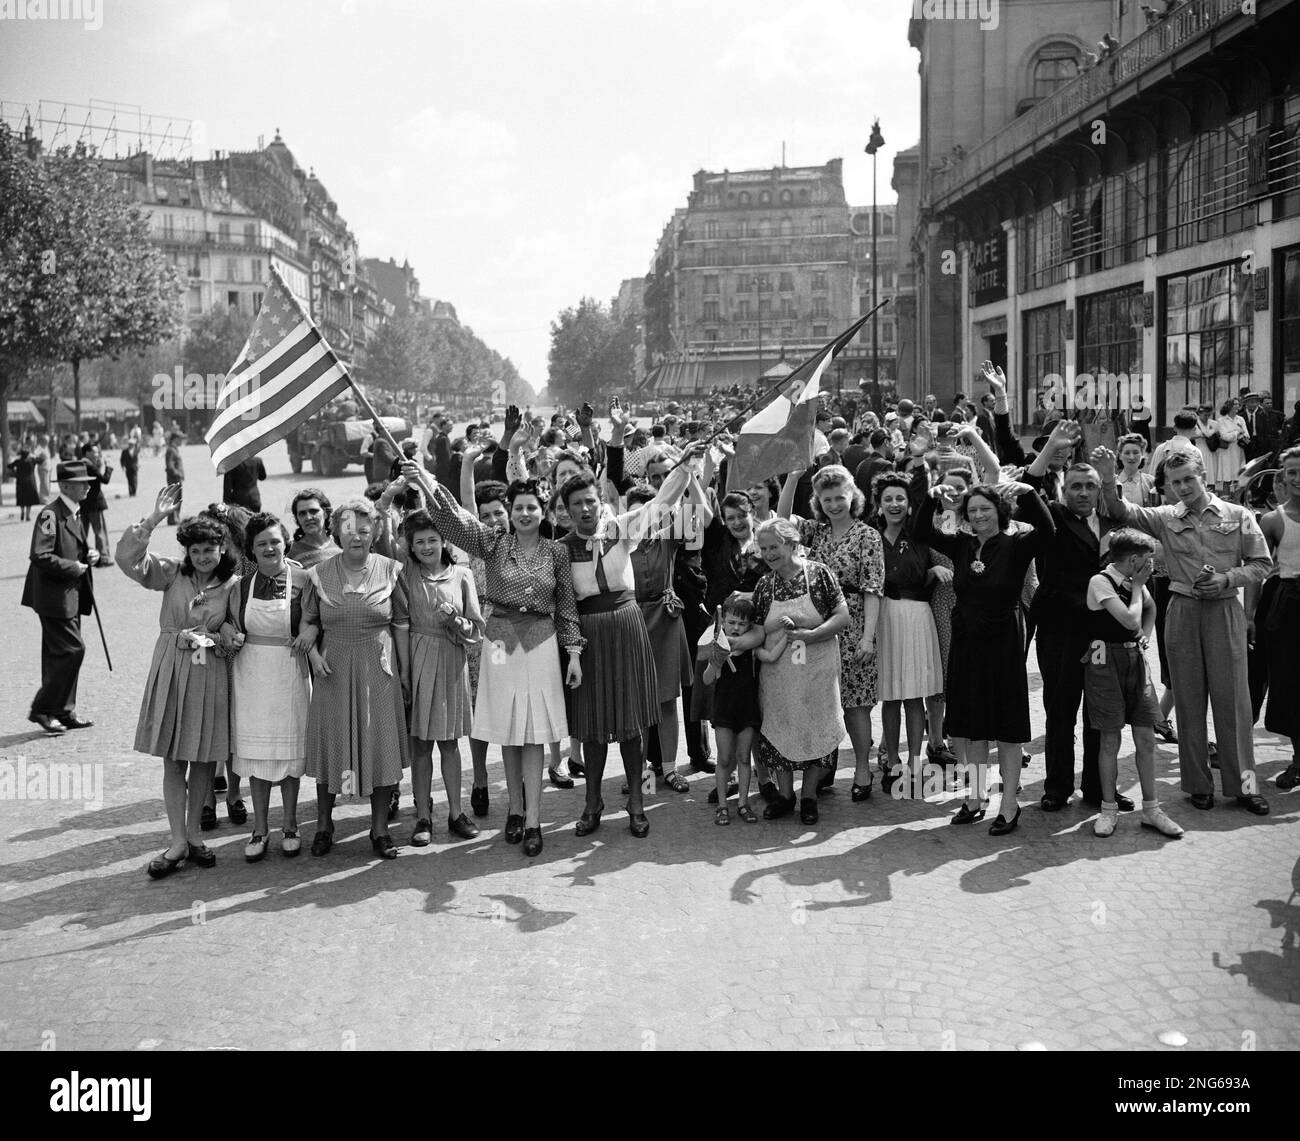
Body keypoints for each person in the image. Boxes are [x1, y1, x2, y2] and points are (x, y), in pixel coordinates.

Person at [1096, 447, 1273, 816]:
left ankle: (1245, 786)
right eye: (1175, 483)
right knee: (1189, 701)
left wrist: (1227, 577)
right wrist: (1109, 477)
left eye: (1189, 479)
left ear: (1203, 475)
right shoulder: (1164, 517)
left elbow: (1261, 564)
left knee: (1235, 703)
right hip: (1183, 610)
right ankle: (1197, 786)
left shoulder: (1239, 515)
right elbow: (1121, 512)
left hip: (1225, 610)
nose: (1183, 488)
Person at [423, 472, 582, 858]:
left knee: (533, 730)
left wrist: (574, 652)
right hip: (498, 640)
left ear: (543, 511)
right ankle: (513, 807)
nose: (525, 513)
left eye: (532, 507)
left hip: (541, 641)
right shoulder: (492, 543)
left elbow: (565, 606)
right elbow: (451, 520)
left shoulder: (557, 551)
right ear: (509, 512)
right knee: (510, 727)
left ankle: (533, 819)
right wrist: (427, 482)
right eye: (518, 508)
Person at [559, 449, 704, 842]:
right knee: (590, 725)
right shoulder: (562, 548)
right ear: (567, 511)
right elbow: (566, 604)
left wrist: (684, 467)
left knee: (630, 721)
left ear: (601, 501)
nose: (586, 509)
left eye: (591, 500)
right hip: (589, 635)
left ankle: (636, 803)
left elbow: (662, 504)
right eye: (577, 504)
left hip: (626, 626)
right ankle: (593, 804)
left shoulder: (622, 529)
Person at [914, 476, 1055, 833]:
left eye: (985, 509)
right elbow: (922, 532)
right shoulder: (961, 544)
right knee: (973, 726)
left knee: (1006, 727)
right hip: (966, 639)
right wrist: (932, 497)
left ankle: (1009, 804)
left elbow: (1049, 531)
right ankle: (976, 798)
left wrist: (1029, 493)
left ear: (1000, 511)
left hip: (1003, 639)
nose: (978, 515)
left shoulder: (1017, 543)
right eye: (972, 510)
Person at [117, 487, 239, 878]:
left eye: (210, 549)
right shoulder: (171, 573)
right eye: (196, 550)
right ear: (187, 551)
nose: (203, 557)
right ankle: (176, 842)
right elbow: (126, 559)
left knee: (203, 757)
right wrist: (152, 519)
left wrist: (219, 638)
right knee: (173, 759)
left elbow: (238, 634)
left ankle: (195, 837)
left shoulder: (232, 586)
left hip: (209, 673)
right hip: (171, 669)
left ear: (222, 548)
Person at [295, 497, 411, 860]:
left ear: (375, 531)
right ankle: (324, 825)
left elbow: (402, 623)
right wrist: (312, 655)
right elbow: (308, 620)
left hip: (378, 668)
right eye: (348, 529)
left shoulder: (391, 569)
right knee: (334, 745)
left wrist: (404, 673)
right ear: (336, 532)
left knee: (380, 746)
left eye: (364, 529)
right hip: (333, 668)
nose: (357, 537)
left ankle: (379, 829)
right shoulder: (320, 573)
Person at [1025, 419, 1122, 814]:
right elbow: (1028, 491)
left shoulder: (1114, 524)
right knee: (1061, 713)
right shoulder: (1053, 519)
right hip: (1060, 633)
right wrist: (1051, 448)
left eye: (1090, 486)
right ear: (1064, 492)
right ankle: (1057, 787)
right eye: (1075, 487)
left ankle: (1098, 789)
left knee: (1101, 714)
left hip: (1104, 635)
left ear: (1100, 491)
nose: (1083, 493)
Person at [734, 516, 851, 825]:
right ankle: (786, 796)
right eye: (763, 549)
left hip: (817, 670)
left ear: (791, 543)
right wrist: (734, 643)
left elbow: (842, 615)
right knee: (778, 728)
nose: (769, 554)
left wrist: (813, 635)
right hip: (779, 675)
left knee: (818, 727)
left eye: (774, 547)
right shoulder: (763, 585)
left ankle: (809, 794)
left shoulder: (819, 574)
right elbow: (759, 631)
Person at [782, 464, 885, 801]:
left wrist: (868, 637)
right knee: (822, 702)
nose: (834, 505)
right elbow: (782, 523)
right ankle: (823, 767)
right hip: (819, 628)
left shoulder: (867, 535)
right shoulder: (816, 532)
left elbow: (873, 589)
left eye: (840, 497)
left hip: (854, 626)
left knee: (857, 704)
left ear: (852, 496)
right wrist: (793, 479)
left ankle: (861, 768)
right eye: (827, 499)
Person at [219, 512, 310, 861]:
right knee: (257, 755)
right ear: (251, 551)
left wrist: (310, 631)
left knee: (287, 755)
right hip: (252, 675)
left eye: (275, 540)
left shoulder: (304, 580)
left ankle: (290, 823)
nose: (270, 548)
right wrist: (228, 632)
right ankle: (259, 828)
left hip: (290, 671)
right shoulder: (240, 587)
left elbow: (316, 619)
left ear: (285, 541)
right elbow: (225, 624)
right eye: (261, 544)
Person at [1083, 529, 1185, 839]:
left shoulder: (1133, 582)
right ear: (1134, 559)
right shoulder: (1101, 581)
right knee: (1110, 740)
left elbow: (1149, 611)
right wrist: (1139, 588)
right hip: (1104, 664)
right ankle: (1108, 809)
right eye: (1148, 560)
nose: (1152, 566)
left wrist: (1145, 638)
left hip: (1134, 662)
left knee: (1145, 737)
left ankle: (1152, 809)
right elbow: (1129, 619)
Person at [396, 510, 485, 846]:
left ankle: (457, 812)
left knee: (449, 743)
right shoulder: (407, 573)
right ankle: (422, 815)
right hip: (418, 658)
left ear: (443, 541)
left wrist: (456, 621)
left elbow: (476, 630)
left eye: (433, 539)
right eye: (420, 542)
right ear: (411, 546)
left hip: (451, 659)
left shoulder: (462, 575)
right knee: (420, 745)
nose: (427, 546)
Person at [870, 473, 946, 790]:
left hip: (916, 616)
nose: (895, 504)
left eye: (900, 498)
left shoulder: (921, 536)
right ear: (879, 505)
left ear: (910, 504)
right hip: (884, 615)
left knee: (914, 696)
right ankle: (892, 762)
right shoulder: (871, 538)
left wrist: (931, 572)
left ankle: (914, 764)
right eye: (888, 498)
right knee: (890, 696)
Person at [22, 460, 100, 735]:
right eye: (83, 483)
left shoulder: (73, 511)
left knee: (60, 654)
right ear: (66, 486)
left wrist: (89, 556)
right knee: (72, 650)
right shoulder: (50, 515)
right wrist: (73, 567)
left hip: (70, 596)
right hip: (53, 597)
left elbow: (70, 547)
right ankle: (42, 709)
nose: (89, 486)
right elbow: (40, 555)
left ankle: (64, 711)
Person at [704, 594, 782, 824]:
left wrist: (787, 638)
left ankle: (743, 803)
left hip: (747, 711)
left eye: (741, 624)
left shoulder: (751, 650)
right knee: (724, 759)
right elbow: (707, 679)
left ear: (749, 626)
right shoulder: (718, 648)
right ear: (723, 622)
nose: (736, 628)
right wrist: (716, 661)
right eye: (731, 623)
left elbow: (771, 655)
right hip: (724, 711)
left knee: (744, 758)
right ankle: (721, 805)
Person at [1250, 446, 1300, 790]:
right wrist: (1249, 615)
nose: (1298, 479)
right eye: (1292, 473)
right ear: (1284, 477)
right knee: (1289, 683)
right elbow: (1257, 570)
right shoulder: (1272, 520)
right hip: (1287, 606)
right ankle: (1298, 759)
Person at [287, 489, 341, 570]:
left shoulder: (341, 543)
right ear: (297, 518)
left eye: (313, 511)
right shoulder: (291, 553)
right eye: (302, 513)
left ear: (325, 513)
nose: (308, 517)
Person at [78, 442, 113, 563]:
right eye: (95, 452)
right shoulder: (89, 466)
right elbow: (105, 479)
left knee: (82, 532)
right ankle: (103, 557)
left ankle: (80, 556)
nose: (97, 454)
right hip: (94, 503)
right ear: (87, 453)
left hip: (82, 503)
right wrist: (108, 467)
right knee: (99, 531)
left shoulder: (79, 464)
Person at [1115, 434, 1156, 506]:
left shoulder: (1151, 482)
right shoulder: (1112, 483)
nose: (1131, 457)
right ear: (1120, 456)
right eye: (1127, 453)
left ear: (1142, 454)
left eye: (1135, 452)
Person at [8, 436, 40, 521]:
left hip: (20, 482)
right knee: (29, 499)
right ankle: (28, 515)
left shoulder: (18, 461)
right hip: (30, 481)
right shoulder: (32, 460)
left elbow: (9, 466)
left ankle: (22, 513)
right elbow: (41, 460)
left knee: (21, 498)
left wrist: (14, 472)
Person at [163, 432, 185, 524]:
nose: (181, 441)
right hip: (174, 478)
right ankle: (172, 519)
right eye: (180, 439)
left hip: (176, 478)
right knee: (173, 498)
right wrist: (178, 474)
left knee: (177, 498)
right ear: (175, 439)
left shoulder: (174, 449)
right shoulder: (171, 450)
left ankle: (175, 518)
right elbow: (169, 466)